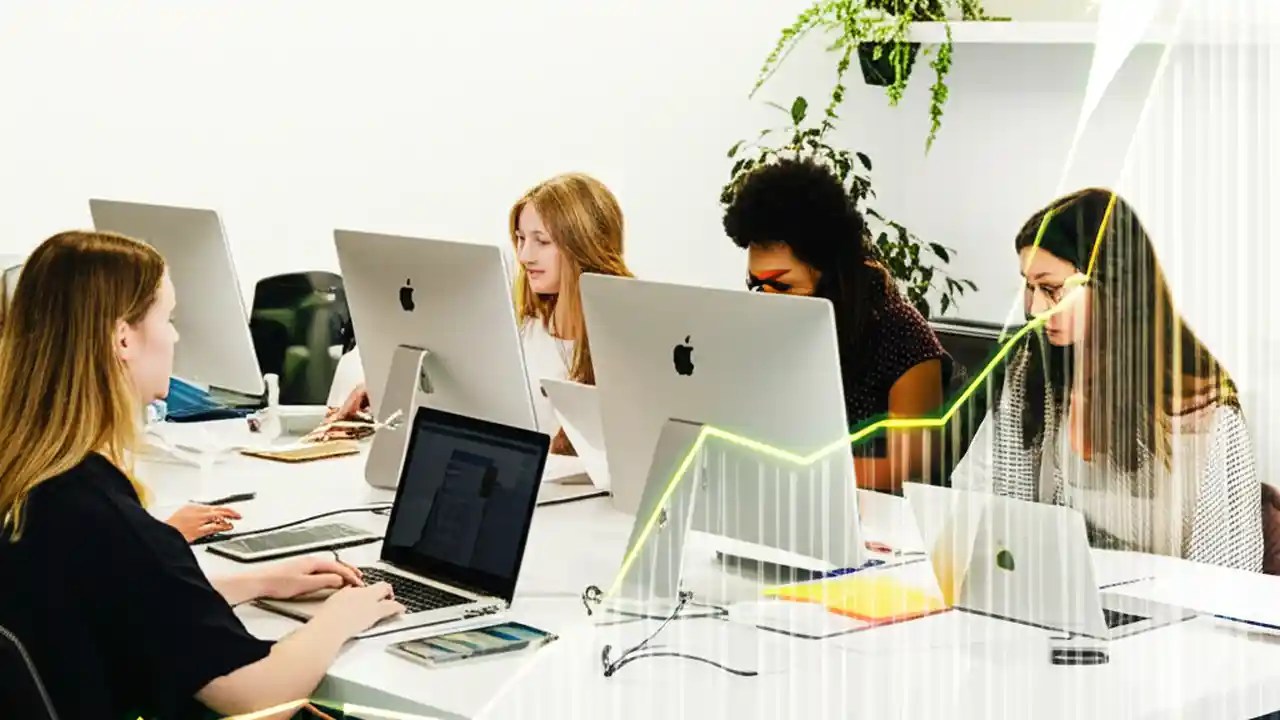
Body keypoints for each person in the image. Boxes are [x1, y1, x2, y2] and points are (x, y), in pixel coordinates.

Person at [0, 231, 405, 720]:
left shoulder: (33, 483)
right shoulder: (103, 515)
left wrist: (255, 582)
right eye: (167, 318)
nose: (174, 336)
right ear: (122, 338)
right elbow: (258, 698)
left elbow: (110, 600)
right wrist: (341, 617)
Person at [949, 188, 1263, 571]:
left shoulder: (1205, 413)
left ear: (1113, 287)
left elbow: (1227, 584)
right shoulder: (1033, 373)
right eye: (1029, 287)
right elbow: (976, 497)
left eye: (1050, 288)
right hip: (1053, 614)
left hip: (1165, 623)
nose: (1034, 309)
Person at [330, 172, 633, 454]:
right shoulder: (519, 332)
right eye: (521, 238)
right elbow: (467, 398)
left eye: (542, 241)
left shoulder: (621, 348)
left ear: (583, 246)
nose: (525, 255)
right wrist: (389, 390)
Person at [721, 157, 949, 493]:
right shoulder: (768, 328)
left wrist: (789, 474)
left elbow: (910, 471)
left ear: (831, 273)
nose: (766, 298)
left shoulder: (903, 334)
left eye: (782, 286)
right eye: (756, 284)